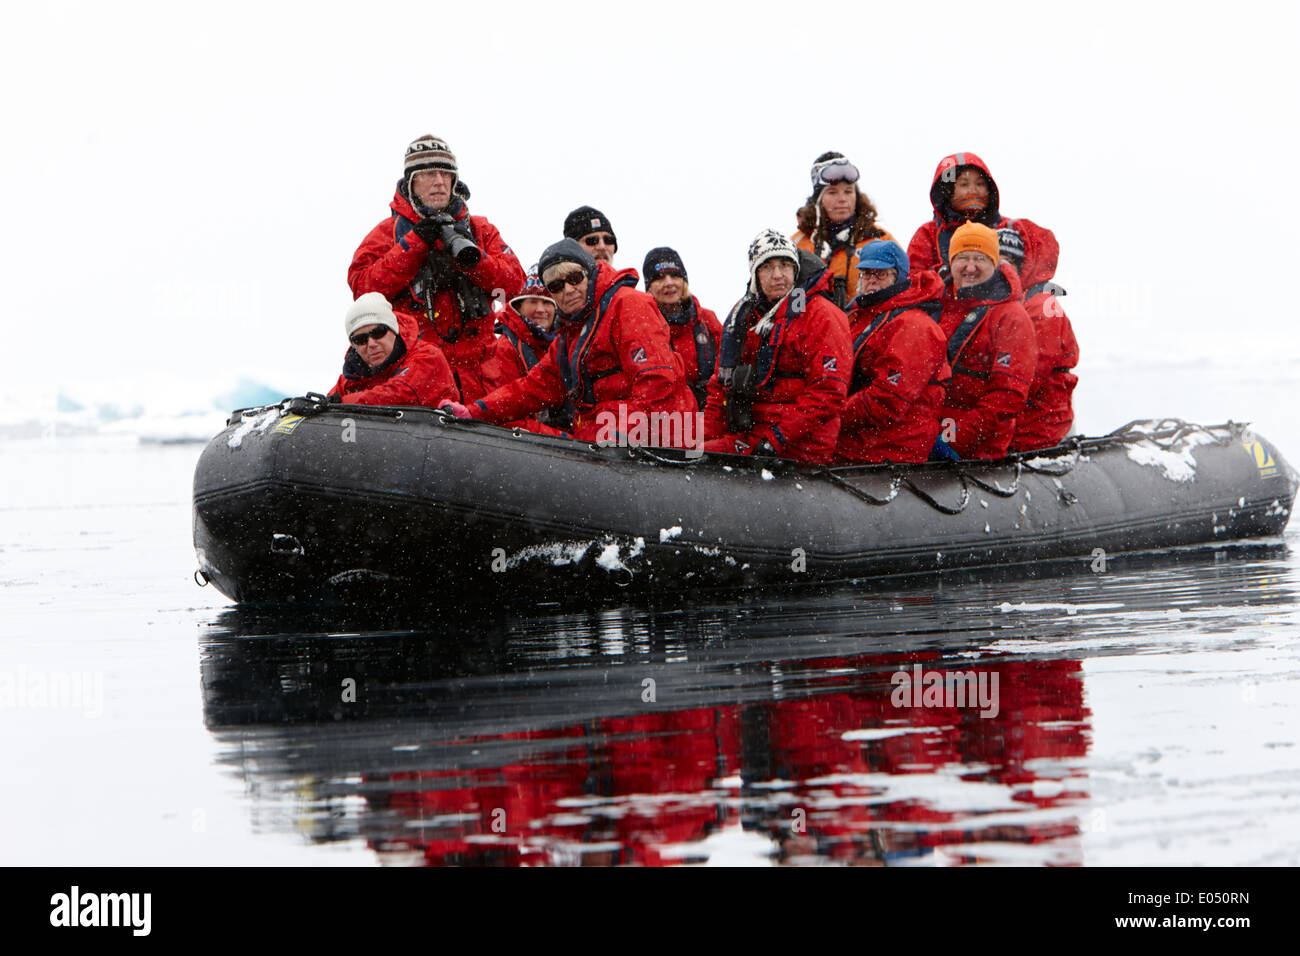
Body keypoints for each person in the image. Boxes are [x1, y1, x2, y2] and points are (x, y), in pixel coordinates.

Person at [444, 239, 697, 444]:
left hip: (663, 437)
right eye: (556, 285)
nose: (568, 289)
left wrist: (618, 433)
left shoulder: (627, 304)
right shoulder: (569, 338)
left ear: (589, 273)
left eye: (574, 278)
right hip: (604, 438)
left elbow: (657, 381)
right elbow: (530, 389)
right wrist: (474, 411)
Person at [348, 135, 525, 403]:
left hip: (482, 382)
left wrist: (475, 260)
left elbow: (514, 287)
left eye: (446, 174)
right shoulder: (388, 234)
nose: (440, 181)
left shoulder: (479, 231)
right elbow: (364, 292)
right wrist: (414, 243)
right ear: (411, 182)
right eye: (429, 173)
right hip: (421, 381)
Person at [703, 229, 852, 464]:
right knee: (691, 453)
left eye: (785, 265)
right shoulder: (744, 317)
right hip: (753, 432)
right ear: (755, 274)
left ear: (796, 269)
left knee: (706, 459)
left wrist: (777, 438)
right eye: (767, 267)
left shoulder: (821, 315)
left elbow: (828, 392)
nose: (778, 275)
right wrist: (702, 436)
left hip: (798, 444)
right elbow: (720, 385)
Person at [834, 240, 951, 464]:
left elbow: (887, 402)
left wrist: (831, 416)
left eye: (881, 274)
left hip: (891, 446)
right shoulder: (862, 316)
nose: (871, 281)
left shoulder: (914, 325)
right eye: (866, 273)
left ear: (898, 277)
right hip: (861, 437)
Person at [935, 222, 1037, 459]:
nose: (970, 268)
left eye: (980, 258)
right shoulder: (939, 305)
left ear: (994, 262)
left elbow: (1008, 395)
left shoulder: (1011, 317)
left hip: (977, 453)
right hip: (926, 439)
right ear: (951, 262)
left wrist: (956, 440)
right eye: (963, 258)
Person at [907, 151, 1055, 279]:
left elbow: (1045, 249)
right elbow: (913, 279)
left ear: (989, 188)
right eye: (964, 184)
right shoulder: (929, 234)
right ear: (948, 192)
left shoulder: (1008, 229)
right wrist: (944, 276)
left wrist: (1011, 282)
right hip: (944, 309)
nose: (974, 190)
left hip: (999, 307)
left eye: (980, 184)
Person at [998, 229, 1080, 451]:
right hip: (1016, 428)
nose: (1001, 269)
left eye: (1008, 262)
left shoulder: (1044, 306)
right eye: (995, 261)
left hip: (1039, 430)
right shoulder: (1001, 305)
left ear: (1022, 266)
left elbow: (1031, 375)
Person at [792, 152, 894, 310]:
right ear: (818, 199)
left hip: (868, 331)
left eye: (848, 191)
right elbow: (786, 303)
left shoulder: (880, 240)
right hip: (813, 332)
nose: (842, 199)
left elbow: (903, 290)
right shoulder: (796, 246)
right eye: (832, 192)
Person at [326, 293, 458, 407]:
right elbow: (324, 405)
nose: (371, 343)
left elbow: (400, 396)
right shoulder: (351, 379)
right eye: (361, 339)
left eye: (378, 332)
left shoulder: (428, 356)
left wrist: (342, 404)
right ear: (354, 345)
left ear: (394, 331)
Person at [642, 247, 722, 410]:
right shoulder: (643, 326)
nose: (669, 283)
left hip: (711, 415)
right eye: (659, 278)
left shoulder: (707, 321)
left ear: (684, 281)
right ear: (648, 288)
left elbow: (727, 370)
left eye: (674, 275)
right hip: (665, 421)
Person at [494, 266, 570, 432]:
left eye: (547, 302)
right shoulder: (504, 348)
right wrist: (563, 438)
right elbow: (504, 415)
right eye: (533, 301)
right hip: (524, 443)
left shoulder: (562, 345)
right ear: (519, 307)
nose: (540, 310)